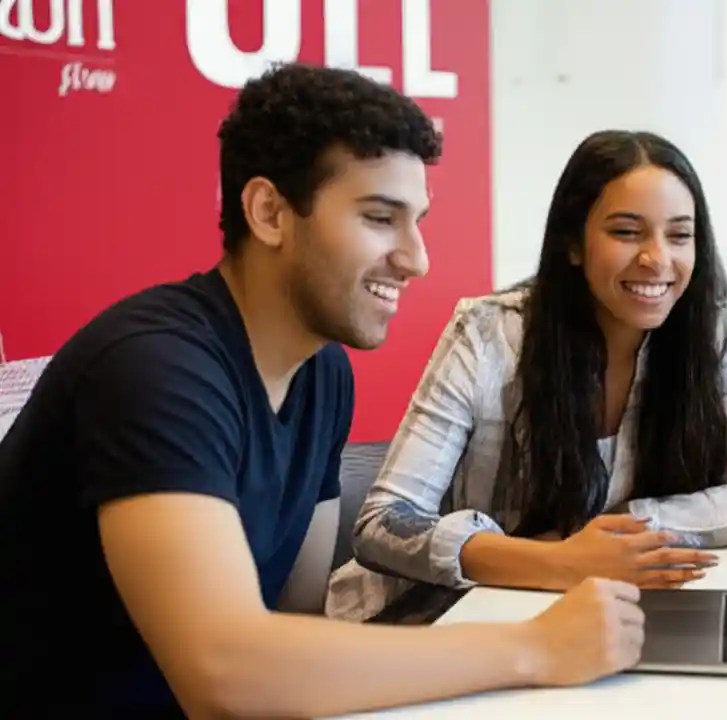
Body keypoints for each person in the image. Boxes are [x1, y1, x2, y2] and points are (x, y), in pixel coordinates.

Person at [0, 63, 646, 718]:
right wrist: (535, 648)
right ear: (269, 212)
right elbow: (226, 672)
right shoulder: (154, 369)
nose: (416, 257)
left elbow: (298, 618)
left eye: (416, 220)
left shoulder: (322, 373)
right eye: (379, 218)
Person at [326, 130, 727, 622]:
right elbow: (383, 525)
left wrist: (610, 536)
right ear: (573, 244)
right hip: (430, 619)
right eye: (627, 232)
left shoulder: (705, 331)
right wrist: (560, 562)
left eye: (679, 235)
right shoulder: (489, 332)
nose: (657, 259)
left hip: (593, 615)